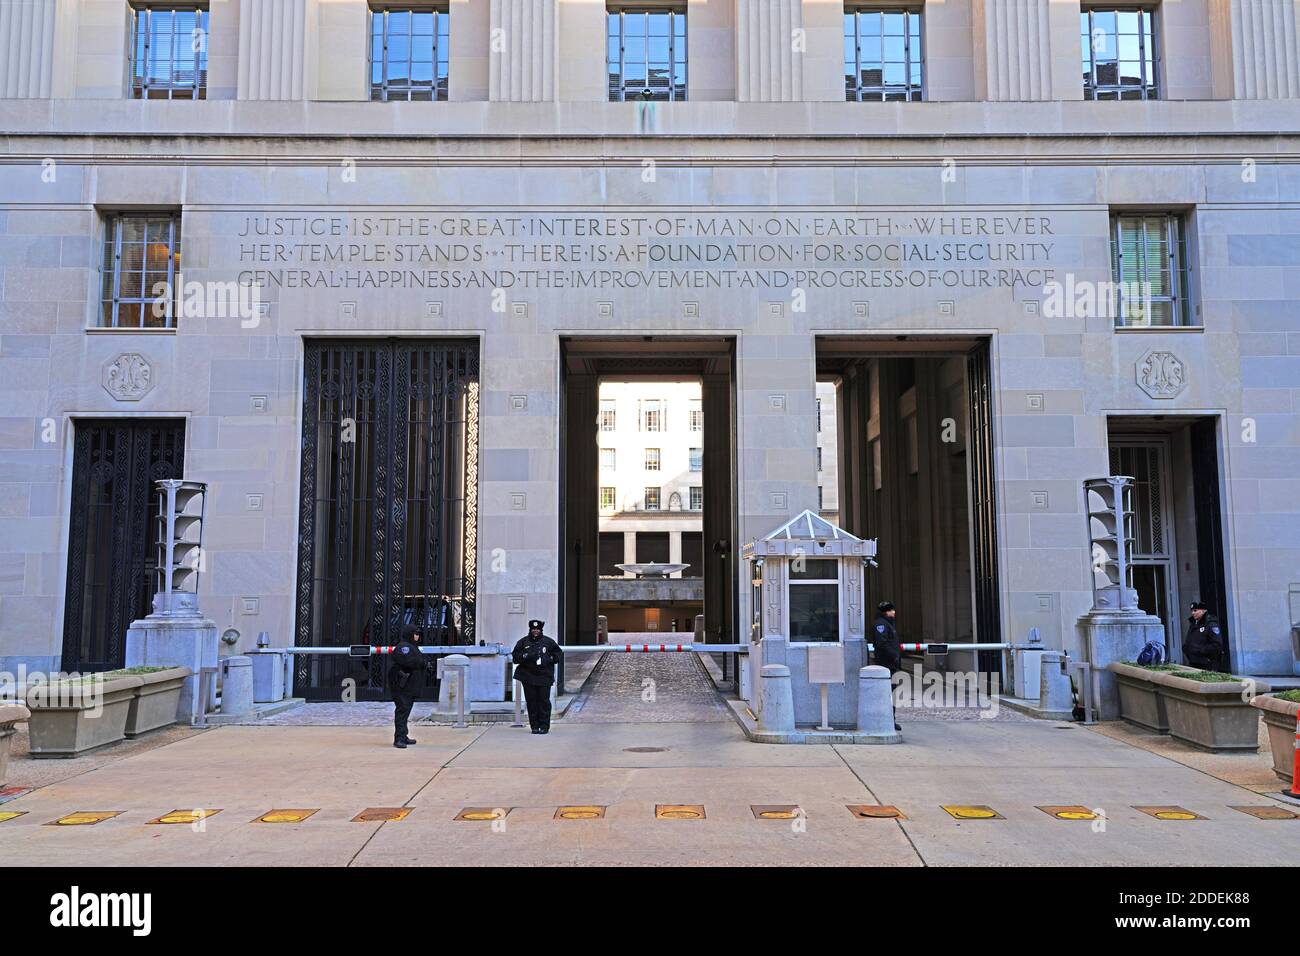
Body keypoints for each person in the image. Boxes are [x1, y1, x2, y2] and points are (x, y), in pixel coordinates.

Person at [512, 619, 563, 734]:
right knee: (531, 702)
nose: (535, 631)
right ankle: (534, 726)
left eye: (538, 629)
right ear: (530, 630)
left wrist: (549, 658)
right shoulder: (523, 642)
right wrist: (525, 656)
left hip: (544, 677)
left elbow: (558, 654)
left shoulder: (548, 642)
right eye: (533, 629)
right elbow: (515, 657)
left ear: (541, 630)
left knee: (544, 702)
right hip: (528, 677)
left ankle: (544, 726)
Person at [388, 624, 426, 749]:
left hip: (409, 686)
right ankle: (399, 738)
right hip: (402, 686)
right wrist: (422, 663)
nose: (417, 636)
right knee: (402, 710)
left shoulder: (411, 647)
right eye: (415, 634)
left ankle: (403, 735)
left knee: (405, 711)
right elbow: (409, 661)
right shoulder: (404, 647)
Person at [872, 601, 903, 732]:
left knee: (892, 693)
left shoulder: (888, 623)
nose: (894, 612)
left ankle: (891, 719)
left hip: (891, 664)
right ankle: (887, 719)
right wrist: (894, 656)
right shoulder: (881, 624)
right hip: (887, 664)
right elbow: (882, 643)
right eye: (891, 610)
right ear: (886, 612)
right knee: (887, 694)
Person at [1183, 601, 1225, 671]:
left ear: (1203, 611)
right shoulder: (1194, 624)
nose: (1193, 613)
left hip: (1207, 664)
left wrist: (1199, 650)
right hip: (1194, 663)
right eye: (1192, 611)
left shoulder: (1210, 624)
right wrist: (1186, 648)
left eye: (1195, 610)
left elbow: (1217, 645)